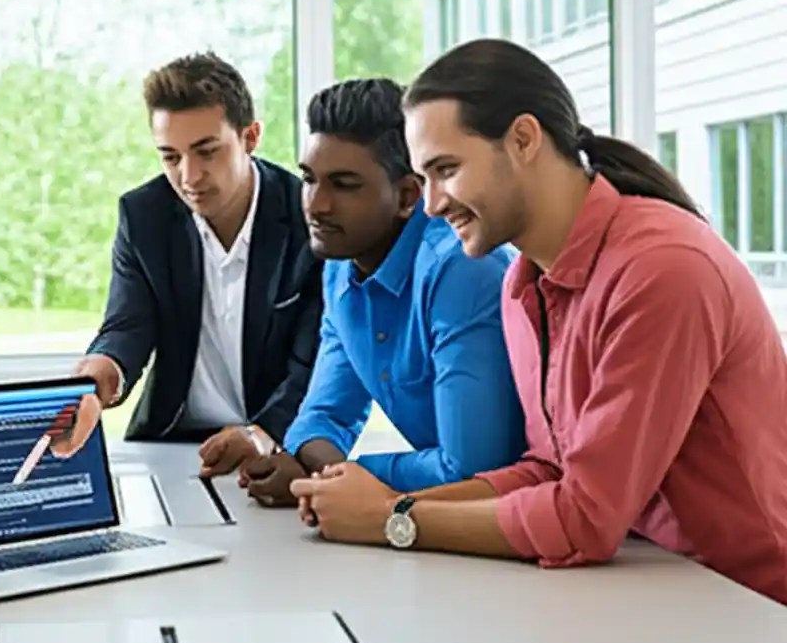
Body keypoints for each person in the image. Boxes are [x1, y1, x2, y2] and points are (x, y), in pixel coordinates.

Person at [289, 38, 787, 605]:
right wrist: (371, 500)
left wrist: (391, 517)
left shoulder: (662, 269)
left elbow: (585, 518)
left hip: (751, 605)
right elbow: (548, 470)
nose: (429, 205)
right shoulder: (521, 283)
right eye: (423, 177)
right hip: (646, 586)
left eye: (446, 169)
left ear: (524, 140)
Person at [214, 78, 524, 507]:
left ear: (407, 196)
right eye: (309, 179)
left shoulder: (463, 269)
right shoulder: (341, 266)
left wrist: (340, 477)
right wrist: (322, 475)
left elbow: (471, 468)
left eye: (344, 185)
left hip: (558, 536)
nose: (316, 205)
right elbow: (322, 417)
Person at [74, 51, 322, 448]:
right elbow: (128, 326)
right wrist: (101, 371)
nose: (189, 177)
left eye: (207, 151)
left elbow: (311, 363)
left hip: (276, 441)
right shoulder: (143, 216)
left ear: (250, 137)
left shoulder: (306, 217)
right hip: (168, 441)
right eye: (171, 157)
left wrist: (262, 436)